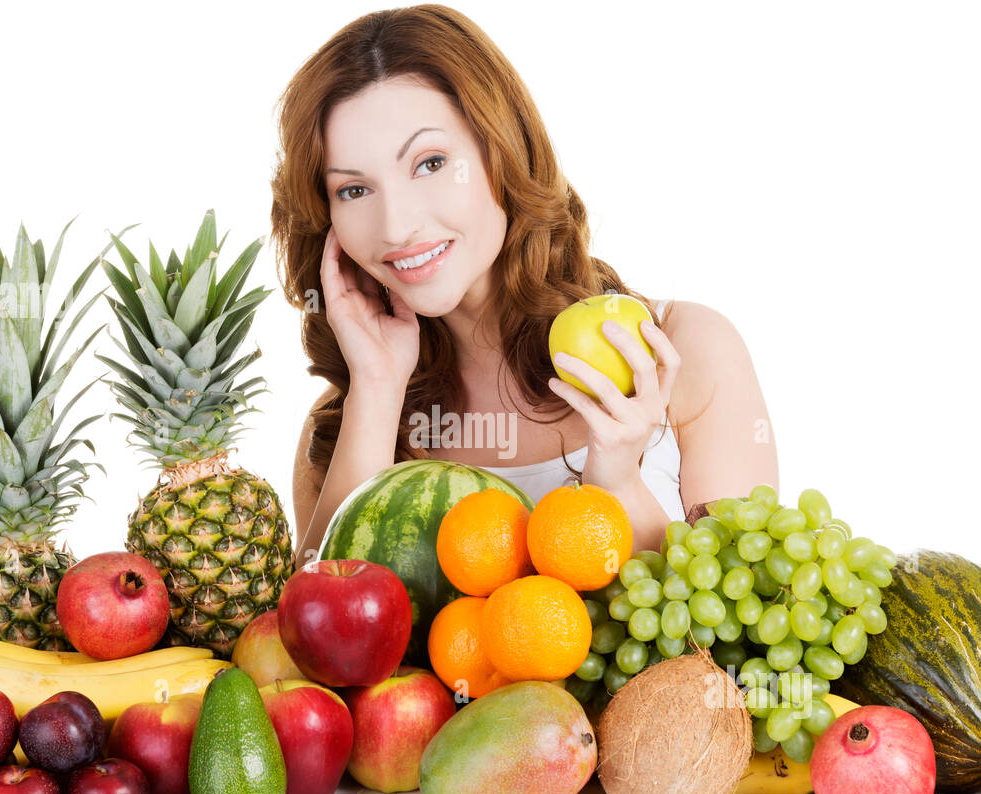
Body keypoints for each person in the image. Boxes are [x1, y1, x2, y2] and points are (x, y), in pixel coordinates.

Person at [269, 5, 777, 564]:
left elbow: (732, 635)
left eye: (430, 163)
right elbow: (318, 635)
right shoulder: (343, 422)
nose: (397, 226)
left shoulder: (683, 348)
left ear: (505, 150)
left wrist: (618, 481)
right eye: (354, 190)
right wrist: (377, 388)